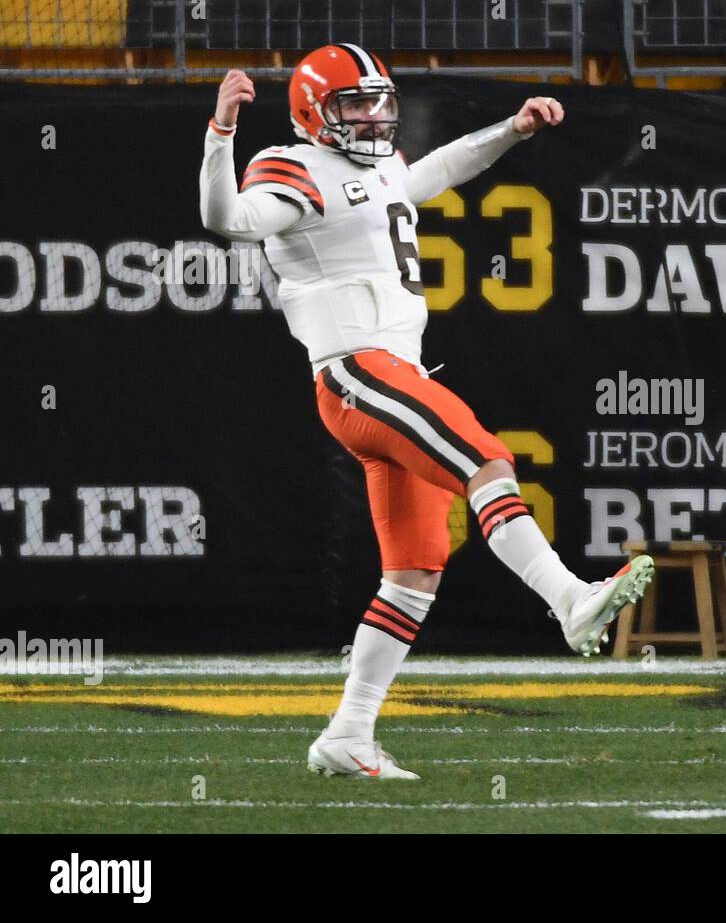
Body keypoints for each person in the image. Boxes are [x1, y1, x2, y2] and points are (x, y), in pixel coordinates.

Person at [199, 43, 654, 779]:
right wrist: (221, 134)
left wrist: (511, 131)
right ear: (316, 113)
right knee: (488, 459)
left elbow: (435, 171)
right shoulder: (292, 166)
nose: (375, 116)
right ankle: (569, 598)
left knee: (415, 570)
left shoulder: (377, 167)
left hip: (388, 374)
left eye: (381, 101)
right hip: (357, 371)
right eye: (356, 104)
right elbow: (225, 218)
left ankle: (348, 734)